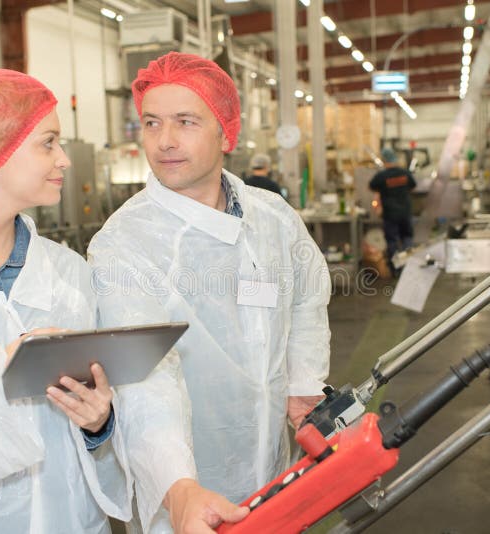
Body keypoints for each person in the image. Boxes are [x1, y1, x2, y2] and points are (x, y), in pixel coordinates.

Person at [0, 69, 245, 534]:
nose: (64, 160)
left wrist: (98, 422)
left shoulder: (69, 274)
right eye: (48, 143)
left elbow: (96, 429)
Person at [88, 52, 331, 507]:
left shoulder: (272, 217)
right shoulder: (124, 243)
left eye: (185, 122)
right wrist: (178, 488)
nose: (165, 141)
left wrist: (302, 384)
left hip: (273, 465)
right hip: (188, 489)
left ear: (226, 132)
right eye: (152, 123)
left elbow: (306, 298)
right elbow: (142, 381)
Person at [369, 147, 416, 272]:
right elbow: (413, 186)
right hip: (405, 212)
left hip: (390, 214)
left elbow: (372, 186)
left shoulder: (382, 176)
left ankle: (396, 269)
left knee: (392, 241)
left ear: (384, 160)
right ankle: (408, 266)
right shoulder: (405, 173)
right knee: (407, 238)